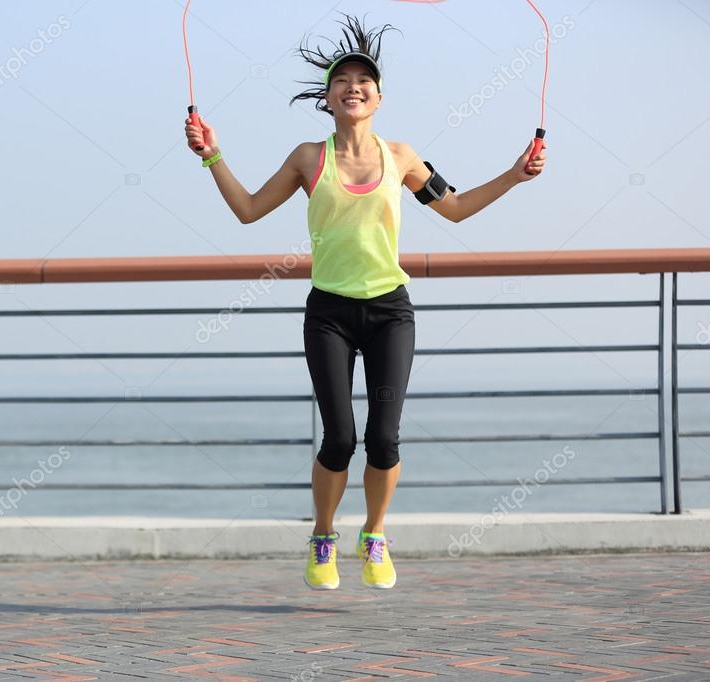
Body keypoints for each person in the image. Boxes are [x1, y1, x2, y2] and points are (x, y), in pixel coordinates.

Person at [184, 15, 546, 590]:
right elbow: (249, 210)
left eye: (364, 82)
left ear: (379, 97)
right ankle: (322, 536)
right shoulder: (308, 157)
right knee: (340, 439)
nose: (353, 87)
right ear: (327, 98)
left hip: (388, 312)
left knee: (383, 438)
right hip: (329, 313)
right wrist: (212, 155)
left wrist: (514, 175)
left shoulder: (400, 156)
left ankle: (374, 534)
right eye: (342, 81)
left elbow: (454, 208)